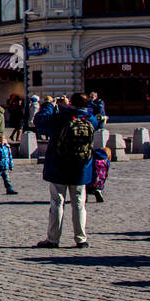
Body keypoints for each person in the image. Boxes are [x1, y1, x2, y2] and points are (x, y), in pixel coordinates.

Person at [34, 93, 96, 249]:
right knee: (79, 204)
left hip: (59, 165)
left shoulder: (61, 118)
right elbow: (98, 121)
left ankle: (53, 239)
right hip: (81, 167)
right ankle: (81, 239)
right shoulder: (89, 118)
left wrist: (49, 104)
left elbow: (39, 121)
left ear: (71, 103)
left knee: (57, 203)